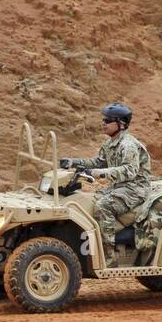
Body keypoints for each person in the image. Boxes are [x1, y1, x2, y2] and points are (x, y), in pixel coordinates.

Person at [60, 103, 151, 267]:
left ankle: (109, 256)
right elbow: (98, 161)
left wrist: (98, 173)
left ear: (121, 124)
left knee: (103, 206)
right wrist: (73, 162)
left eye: (108, 120)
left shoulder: (128, 145)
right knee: (89, 202)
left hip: (135, 189)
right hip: (119, 187)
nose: (104, 123)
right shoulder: (111, 144)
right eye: (104, 119)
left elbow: (129, 171)